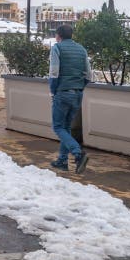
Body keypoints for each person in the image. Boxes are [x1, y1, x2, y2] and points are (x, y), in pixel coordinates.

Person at [49, 24, 92, 174]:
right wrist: (79, 87)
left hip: (63, 92)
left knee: (58, 127)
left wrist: (53, 91)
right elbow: (88, 75)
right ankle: (62, 161)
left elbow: (54, 72)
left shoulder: (57, 48)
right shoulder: (82, 50)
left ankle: (78, 153)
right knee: (66, 127)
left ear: (58, 36)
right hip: (78, 93)